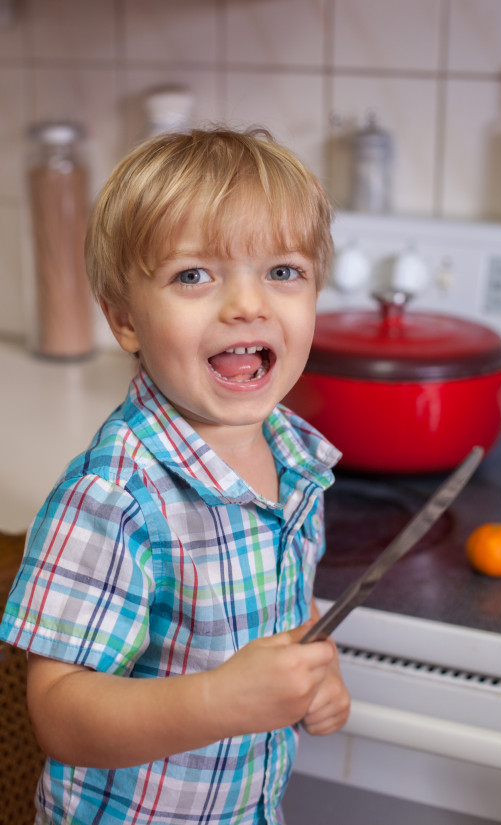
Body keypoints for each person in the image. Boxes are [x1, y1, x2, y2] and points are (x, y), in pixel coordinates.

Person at [0, 127, 350, 824]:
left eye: (283, 271)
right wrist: (223, 699)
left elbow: (281, 604)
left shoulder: (294, 457)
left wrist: (315, 667)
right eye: (194, 275)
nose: (247, 305)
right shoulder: (114, 494)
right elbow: (61, 715)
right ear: (125, 319)